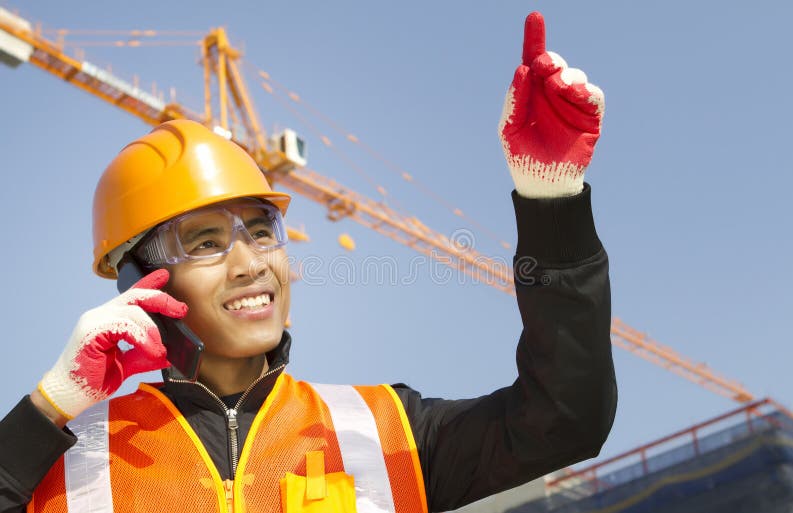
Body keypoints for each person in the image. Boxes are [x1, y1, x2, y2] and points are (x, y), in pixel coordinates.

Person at [0, 11, 616, 513]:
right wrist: (48, 406)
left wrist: (551, 199)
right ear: (137, 282)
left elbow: (567, 416)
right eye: (207, 242)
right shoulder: (63, 464)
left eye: (263, 231)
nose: (250, 263)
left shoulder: (386, 432)